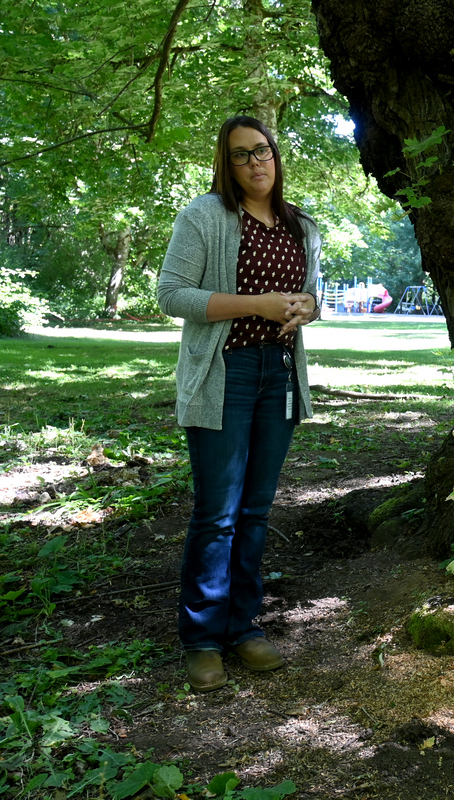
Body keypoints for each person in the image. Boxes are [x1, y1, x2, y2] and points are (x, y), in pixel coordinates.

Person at [157, 116, 322, 692]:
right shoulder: (204, 217)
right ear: (226, 166)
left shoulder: (301, 225)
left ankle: (244, 627)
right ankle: (202, 639)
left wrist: (304, 307)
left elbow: (310, 297)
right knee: (217, 514)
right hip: (223, 374)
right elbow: (173, 294)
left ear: (276, 156)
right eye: (241, 155)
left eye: (264, 150)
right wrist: (259, 305)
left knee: (255, 511)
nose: (256, 162)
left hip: (277, 376)